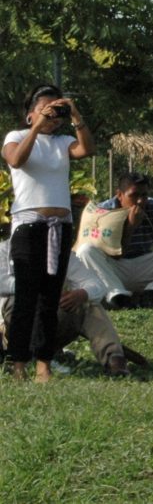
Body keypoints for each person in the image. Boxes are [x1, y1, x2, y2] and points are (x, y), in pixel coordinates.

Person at [3, 84, 95, 381]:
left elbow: (87, 150)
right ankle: (18, 363)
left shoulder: (63, 141)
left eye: (57, 110)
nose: (52, 116)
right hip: (28, 227)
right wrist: (37, 128)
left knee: (50, 297)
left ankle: (43, 363)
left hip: (60, 227)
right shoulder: (16, 137)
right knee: (26, 297)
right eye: (46, 109)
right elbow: (16, 160)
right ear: (30, 115)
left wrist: (76, 115)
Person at [0, 241, 144, 377]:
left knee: (88, 303)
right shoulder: (3, 250)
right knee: (20, 301)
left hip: (50, 320)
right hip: (12, 329)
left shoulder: (59, 252)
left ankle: (114, 359)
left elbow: (96, 284)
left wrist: (82, 294)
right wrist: (43, 289)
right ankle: (34, 356)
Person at [77, 172, 153, 307]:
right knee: (86, 250)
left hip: (144, 266)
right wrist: (131, 226)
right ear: (119, 194)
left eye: (144, 195)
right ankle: (118, 296)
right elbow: (118, 255)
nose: (140, 201)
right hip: (113, 269)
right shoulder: (104, 211)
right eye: (134, 195)